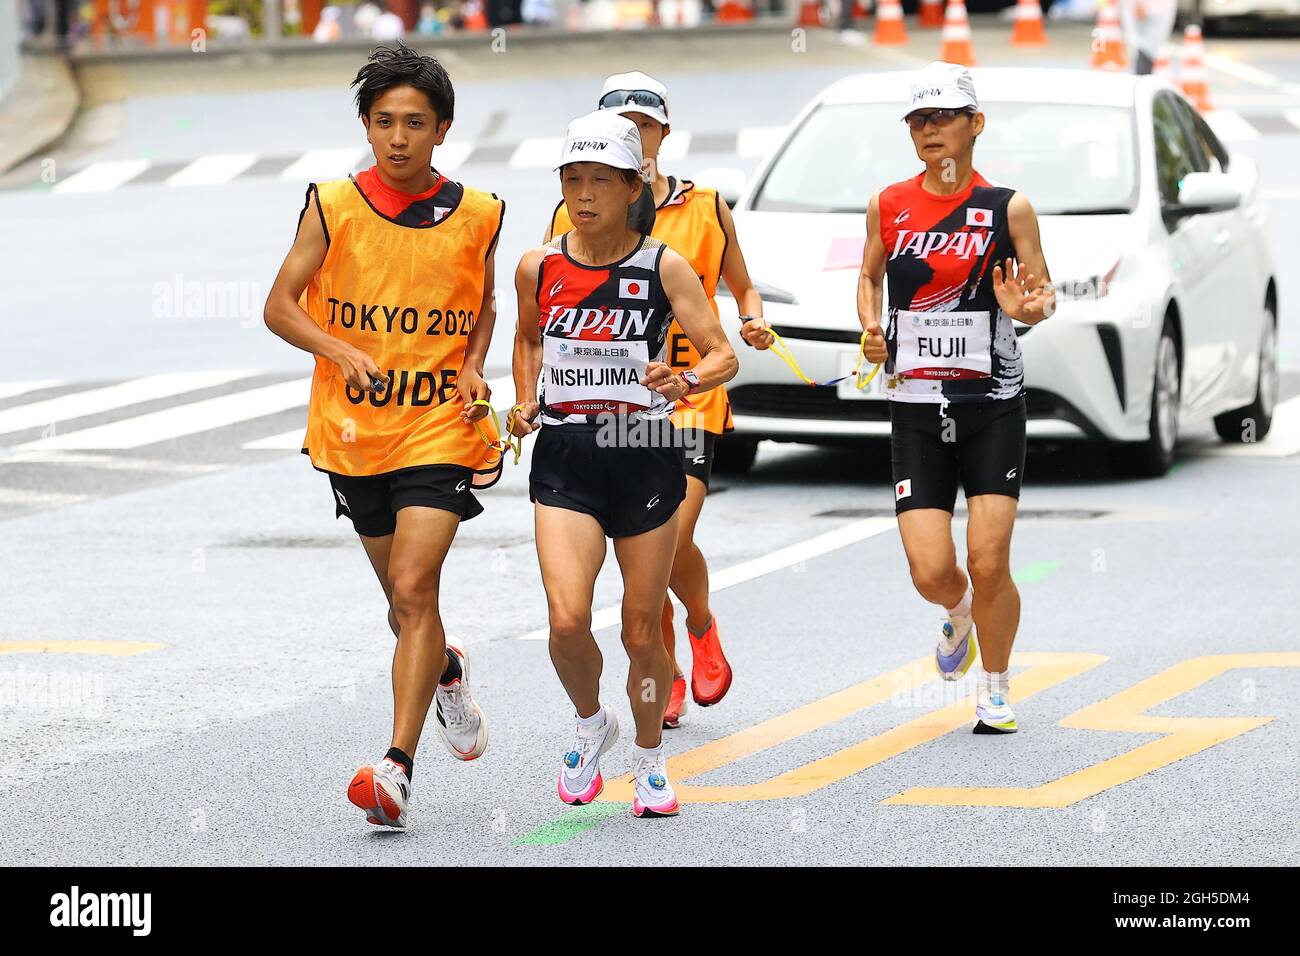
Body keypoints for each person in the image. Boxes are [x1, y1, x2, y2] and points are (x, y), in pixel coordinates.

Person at [263, 43, 505, 828]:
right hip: (355, 430)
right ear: (367, 127)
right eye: (383, 123)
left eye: (415, 124)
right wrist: (339, 349)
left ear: (443, 131)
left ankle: (396, 770)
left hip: (439, 426)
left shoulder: (481, 213)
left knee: (413, 588)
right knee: (403, 609)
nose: (398, 138)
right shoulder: (331, 204)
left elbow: (484, 308)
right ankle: (444, 668)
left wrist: (473, 366)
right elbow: (281, 305)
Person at [512, 110, 738, 817]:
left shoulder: (662, 265)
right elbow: (525, 341)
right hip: (567, 455)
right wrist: (524, 400)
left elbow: (721, 353)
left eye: (600, 181)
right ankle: (589, 723)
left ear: (632, 184)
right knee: (567, 619)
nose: (584, 195)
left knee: (642, 628)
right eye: (572, 179)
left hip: (642, 451)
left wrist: (689, 381)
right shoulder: (538, 264)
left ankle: (647, 760)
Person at [545, 72, 771, 729]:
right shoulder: (575, 210)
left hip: (689, 400)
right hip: (605, 408)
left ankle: (695, 626)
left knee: (673, 538)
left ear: (663, 134)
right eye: (622, 125)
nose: (635, 135)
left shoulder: (706, 207)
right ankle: (665, 664)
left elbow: (743, 287)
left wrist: (751, 321)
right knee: (630, 561)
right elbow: (550, 301)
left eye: (644, 126)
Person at [857, 61, 1056, 734]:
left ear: (975, 124)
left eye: (943, 117)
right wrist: (869, 331)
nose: (930, 130)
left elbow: (1042, 295)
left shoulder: (1009, 207)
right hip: (916, 408)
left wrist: (1025, 307)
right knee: (931, 569)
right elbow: (869, 277)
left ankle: (995, 688)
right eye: (919, 119)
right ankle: (960, 613)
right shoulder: (889, 204)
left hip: (992, 402)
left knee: (989, 557)